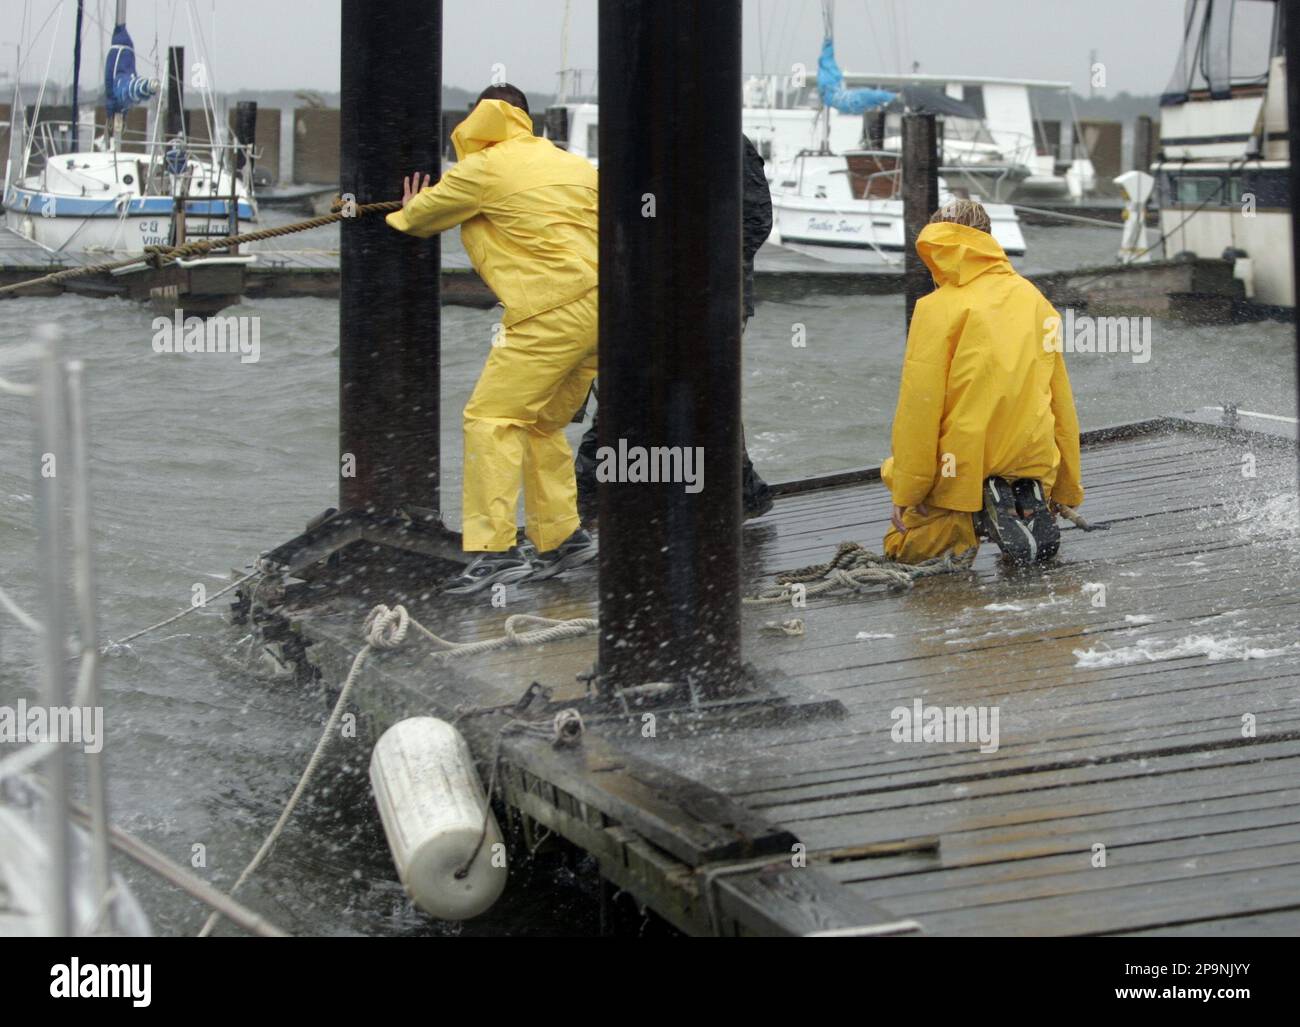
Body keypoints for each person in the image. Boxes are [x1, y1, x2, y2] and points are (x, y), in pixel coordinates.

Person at [387, 84, 599, 595]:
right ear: (526, 120)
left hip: (549, 309)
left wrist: (410, 204)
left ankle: (493, 552)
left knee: (491, 420)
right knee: (542, 425)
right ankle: (564, 539)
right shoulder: (574, 165)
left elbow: (417, 220)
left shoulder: (482, 169)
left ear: (476, 122)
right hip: (605, 310)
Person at [573, 134, 775, 523]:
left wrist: (708, 273)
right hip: (644, 295)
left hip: (710, 298)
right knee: (631, 391)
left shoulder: (723, 135)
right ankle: (595, 498)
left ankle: (733, 496)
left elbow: (755, 220)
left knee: (702, 397)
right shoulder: (636, 136)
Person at [881, 198, 1084, 566]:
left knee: (900, 548)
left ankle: (975, 513)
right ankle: (1020, 498)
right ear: (988, 239)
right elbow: (1060, 400)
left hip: (962, 464)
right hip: (1033, 457)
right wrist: (1066, 488)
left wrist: (908, 489)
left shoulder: (934, 308)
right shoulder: (1034, 299)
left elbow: (920, 409)